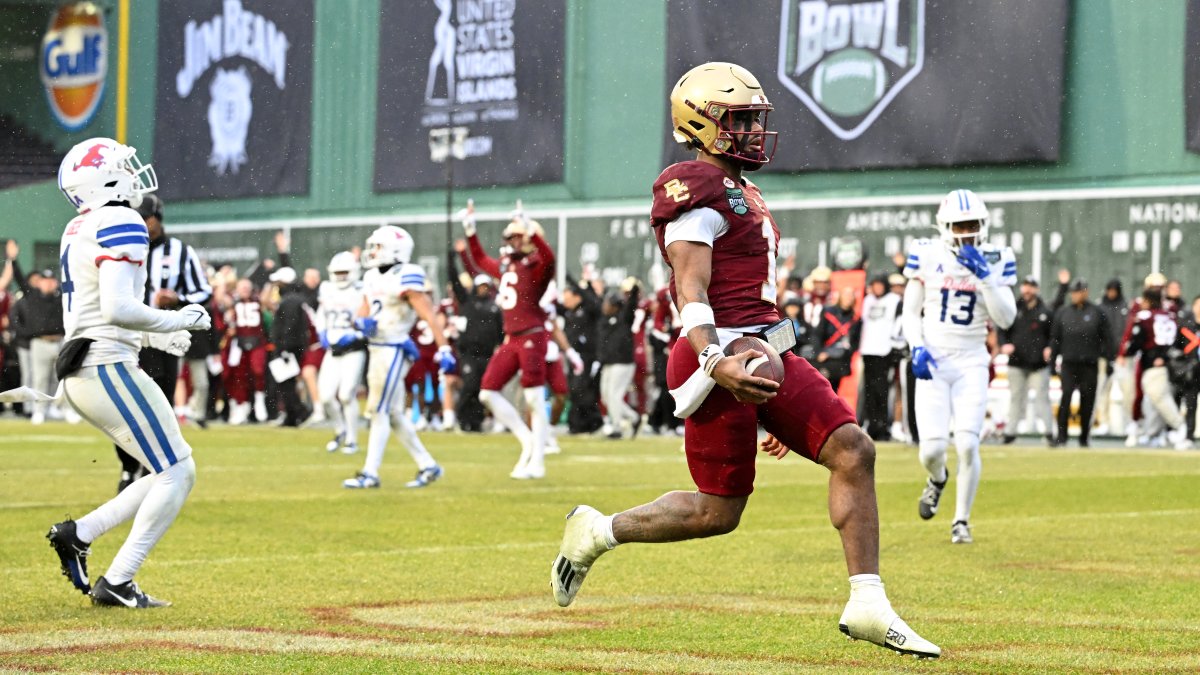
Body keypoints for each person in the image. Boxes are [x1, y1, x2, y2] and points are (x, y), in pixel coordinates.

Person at [549, 62, 939, 658]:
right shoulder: (693, 188)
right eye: (738, 120)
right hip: (718, 358)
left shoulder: (743, 190)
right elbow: (692, 288)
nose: (753, 131)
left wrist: (772, 394)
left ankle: (868, 602)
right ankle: (597, 532)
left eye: (754, 119)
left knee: (853, 449)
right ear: (699, 124)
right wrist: (714, 360)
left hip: (761, 353)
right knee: (718, 512)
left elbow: (753, 302)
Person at [40, 137, 211, 607]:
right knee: (179, 470)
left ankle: (81, 534)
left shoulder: (79, 225)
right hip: (105, 365)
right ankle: (118, 581)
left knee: (166, 468)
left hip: (86, 367)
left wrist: (155, 336)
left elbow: (97, 310)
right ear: (104, 179)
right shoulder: (120, 218)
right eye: (123, 166)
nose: (134, 173)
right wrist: (180, 318)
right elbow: (117, 308)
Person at [903, 189, 1017, 545]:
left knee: (968, 445)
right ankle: (937, 479)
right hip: (935, 359)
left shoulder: (996, 258)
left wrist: (986, 278)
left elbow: (1007, 318)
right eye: (960, 225)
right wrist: (916, 346)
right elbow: (910, 311)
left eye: (973, 225)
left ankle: (961, 520)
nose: (967, 233)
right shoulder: (926, 254)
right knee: (931, 450)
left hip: (971, 361)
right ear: (945, 227)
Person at [343, 226, 454, 489]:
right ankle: (428, 465)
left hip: (394, 348)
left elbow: (428, 313)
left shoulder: (407, 274)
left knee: (378, 411)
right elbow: (365, 309)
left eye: (378, 246)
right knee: (393, 414)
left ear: (395, 249)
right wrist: (359, 324)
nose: (373, 251)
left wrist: (444, 347)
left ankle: (370, 472)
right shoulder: (371, 277)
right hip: (376, 347)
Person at [463, 203, 556, 479]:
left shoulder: (537, 265)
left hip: (531, 336)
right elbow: (480, 259)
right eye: (511, 236)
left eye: (519, 236)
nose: (513, 241)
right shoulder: (508, 265)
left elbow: (549, 258)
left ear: (529, 237)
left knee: (534, 400)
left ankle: (537, 460)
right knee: (487, 392)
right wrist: (470, 230)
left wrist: (530, 230)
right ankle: (527, 440)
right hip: (511, 338)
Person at [1123, 285, 1191, 449]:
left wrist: (1128, 351)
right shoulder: (1170, 315)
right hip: (1171, 364)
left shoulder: (1145, 317)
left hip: (1154, 363)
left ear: (1148, 300)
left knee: (1160, 399)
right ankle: (1156, 433)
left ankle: (1180, 428)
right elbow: (1179, 338)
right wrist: (1169, 355)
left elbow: (1137, 341)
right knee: (1156, 399)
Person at [447, 241, 504, 432]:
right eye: (481, 286)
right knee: (469, 386)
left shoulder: (494, 306)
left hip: (487, 354)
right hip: (469, 353)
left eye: (486, 286)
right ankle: (463, 419)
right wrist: (451, 259)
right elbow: (455, 280)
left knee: (481, 389)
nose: (484, 289)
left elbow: (500, 331)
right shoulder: (467, 301)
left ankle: (476, 421)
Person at [1048, 279, 1111, 447]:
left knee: (1087, 400)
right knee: (1066, 398)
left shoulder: (1097, 312)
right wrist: (1053, 362)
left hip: (1089, 363)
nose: (1075, 295)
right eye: (1073, 292)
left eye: (1078, 291)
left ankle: (1084, 437)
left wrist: (1109, 360)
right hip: (1069, 362)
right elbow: (1055, 339)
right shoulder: (1063, 312)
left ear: (1085, 292)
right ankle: (1061, 436)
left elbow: (1107, 339)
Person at [315, 251, 367, 454]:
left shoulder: (362, 290)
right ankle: (340, 430)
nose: (342, 276)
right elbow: (321, 315)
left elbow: (370, 320)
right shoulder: (327, 289)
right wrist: (322, 333)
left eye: (345, 272)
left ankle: (352, 439)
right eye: (338, 272)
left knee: (346, 394)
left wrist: (356, 335)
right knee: (326, 396)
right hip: (333, 349)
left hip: (354, 348)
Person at [998, 276, 1054, 444]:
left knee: (1042, 398)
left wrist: (1050, 347)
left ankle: (1050, 433)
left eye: (1031, 287)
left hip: (1038, 364)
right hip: (1017, 362)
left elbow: (1054, 334)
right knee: (1016, 398)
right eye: (1025, 286)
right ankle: (1010, 432)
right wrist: (1004, 344)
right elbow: (1002, 329)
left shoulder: (1045, 311)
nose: (1027, 290)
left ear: (1036, 289)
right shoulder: (1013, 309)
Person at [858, 274, 902, 441]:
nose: (877, 289)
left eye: (879, 285)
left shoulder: (894, 300)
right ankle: (871, 425)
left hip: (884, 351)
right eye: (874, 285)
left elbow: (898, 324)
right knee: (869, 391)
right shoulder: (868, 300)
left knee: (881, 391)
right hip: (868, 350)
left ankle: (883, 427)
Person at [597, 281, 641, 439]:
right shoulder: (605, 319)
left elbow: (631, 307)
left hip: (623, 363)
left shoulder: (624, 318)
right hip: (609, 362)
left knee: (615, 396)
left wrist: (634, 291)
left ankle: (617, 428)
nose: (604, 306)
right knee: (606, 397)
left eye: (607, 303)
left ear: (615, 306)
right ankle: (634, 418)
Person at [1095, 278, 1131, 435]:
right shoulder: (1100, 307)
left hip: (1124, 357)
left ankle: (1130, 422)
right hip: (1104, 356)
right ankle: (1103, 421)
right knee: (1102, 390)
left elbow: (1127, 331)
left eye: (1114, 290)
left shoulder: (1125, 307)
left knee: (1129, 391)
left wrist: (1122, 352)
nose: (1111, 293)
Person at [814, 286, 860, 395]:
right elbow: (817, 334)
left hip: (839, 360)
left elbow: (855, 343)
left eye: (851, 295)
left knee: (833, 392)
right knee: (819, 390)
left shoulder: (856, 319)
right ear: (840, 296)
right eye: (846, 295)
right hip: (823, 358)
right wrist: (819, 352)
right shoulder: (828, 312)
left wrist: (843, 353)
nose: (848, 298)